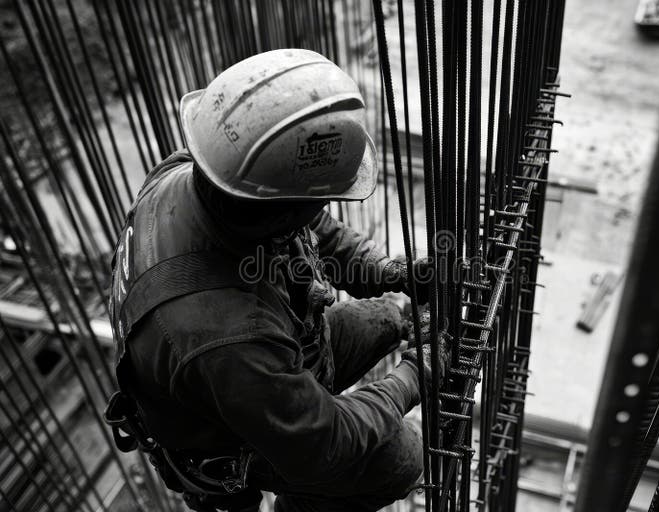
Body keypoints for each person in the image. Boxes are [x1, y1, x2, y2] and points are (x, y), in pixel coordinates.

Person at [106, 49, 447, 512]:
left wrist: (387, 271)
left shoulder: (208, 175)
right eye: (317, 201)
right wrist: (415, 376)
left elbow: (316, 230)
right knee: (402, 460)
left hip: (274, 355)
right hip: (228, 435)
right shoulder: (223, 331)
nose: (322, 211)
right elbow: (328, 440)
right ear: (283, 210)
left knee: (392, 315)